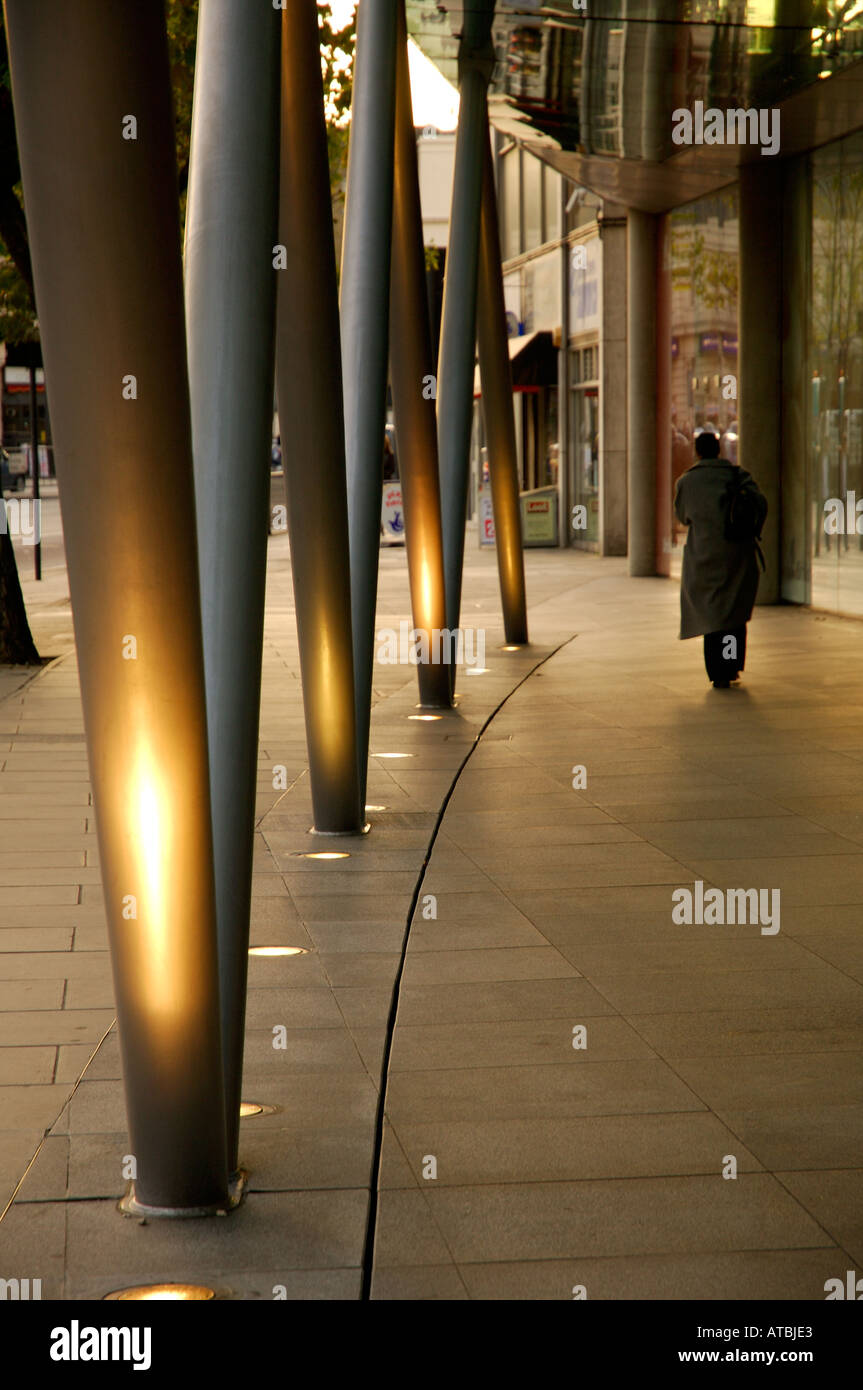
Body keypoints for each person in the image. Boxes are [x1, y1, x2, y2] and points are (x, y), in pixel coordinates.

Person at [674, 429, 767, 688]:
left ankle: (717, 671)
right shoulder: (737, 475)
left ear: (697, 451)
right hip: (737, 554)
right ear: (719, 450)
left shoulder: (687, 482)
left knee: (713, 616)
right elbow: (760, 504)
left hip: (703, 556)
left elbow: (683, 517)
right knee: (733, 613)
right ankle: (731, 665)